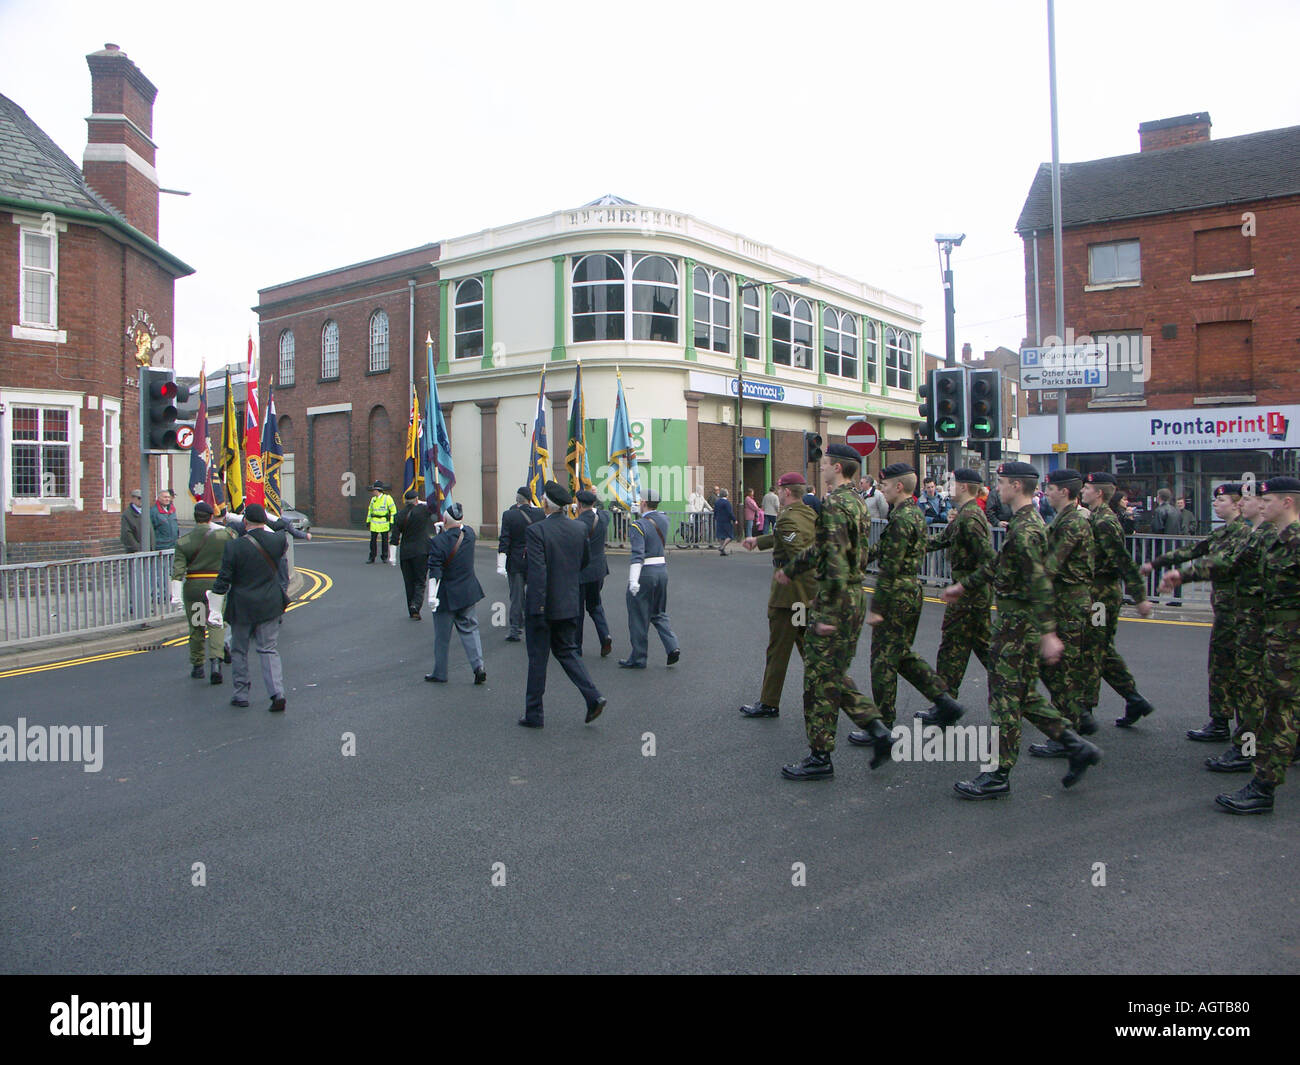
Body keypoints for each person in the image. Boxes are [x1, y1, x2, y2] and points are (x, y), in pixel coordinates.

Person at [943, 462, 1101, 799]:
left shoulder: (1027, 528)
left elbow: (1039, 580)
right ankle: (1075, 745)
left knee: (1004, 699)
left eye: (1000, 482)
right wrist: (965, 585)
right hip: (1016, 622)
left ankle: (999, 773)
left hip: (1018, 624)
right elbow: (1001, 562)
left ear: (1016, 485)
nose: (996, 488)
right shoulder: (1024, 523)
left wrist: (1047, 632)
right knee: (1023, 695)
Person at [776, 445, 892, 779]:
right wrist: (794, 569)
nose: (821, 468)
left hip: (837, 598)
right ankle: (875, 727)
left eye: (824, 464)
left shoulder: (835, 504)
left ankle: (821, 756)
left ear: (837, 467)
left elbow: (836, 559)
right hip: (852, 595)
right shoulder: (856, 501)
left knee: (818, 680)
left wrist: (827, 611)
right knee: (831, 672)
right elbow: (825, 548)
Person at [1163, 482, 1274, 773]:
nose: (1247, 504)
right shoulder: (1259, 535)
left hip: (1260, 623)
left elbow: (1228, 564)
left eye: (1252, 499)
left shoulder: (1267, 536)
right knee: (1246, 682)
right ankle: (1249, 744)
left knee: (1252, 688)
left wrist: (1181, 575)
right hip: (1245, 619)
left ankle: (1249, 751)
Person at [1212, 476, 1300, 813]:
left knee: (1279, 714)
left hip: (1290, 646)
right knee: (1281, 711)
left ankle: (1263, 788)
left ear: (1286, 503)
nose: (1260, 505)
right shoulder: (1274, 540)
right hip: (1276, 641)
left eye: (1266, 500)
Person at [859, 463, 966, 732]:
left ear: (898, 486)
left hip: (896, 594)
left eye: (884, 485)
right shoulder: (912, 514)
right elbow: (882, 549)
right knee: (899, 655)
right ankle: (943, 700)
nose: (881, 490)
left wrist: (877, 606)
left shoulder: (902, 518)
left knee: (883, 660)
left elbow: (889, 567)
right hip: (910, 591)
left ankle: (884, 723)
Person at [1143, 484, 1250, 742]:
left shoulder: (1244, 534)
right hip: (1225, 612)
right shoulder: (1223, 533)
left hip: (1241, 613)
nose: (1215, 504)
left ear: (1237, 505)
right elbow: (1192, 552)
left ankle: (1248, 735)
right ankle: (1220, 722)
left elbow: (1217, 563)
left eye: (1221, 500)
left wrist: (1180, 575)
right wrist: (1157, 563)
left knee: (1244, 674)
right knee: (1220, 668)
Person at [519, 481, 606, 728]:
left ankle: (534, 714)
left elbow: (538, 574)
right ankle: (593, 696)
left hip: (543, 606)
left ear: (546, 503)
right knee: (567, 652)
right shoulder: (579, 529)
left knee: (538, 659)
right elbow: (583, 562)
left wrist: (535, 609)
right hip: (568, 602)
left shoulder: (536, 532)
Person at [1078, 472, 1156, 730]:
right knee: (1102, 649)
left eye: (1087, 487)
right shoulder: (1097, 518)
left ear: (1098, 493)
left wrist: (1141, 597)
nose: (1083, 491)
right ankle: (1134, 699)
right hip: (1096, 591)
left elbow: (1123, 562)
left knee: (1091, 649)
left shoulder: (1104, 523)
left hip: (1101, 595)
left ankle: (1084, 711)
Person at [738, 472, 818, 718]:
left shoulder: (786, 519)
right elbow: (788, 538)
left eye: (780, 490)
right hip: (804, 598)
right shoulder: (809, 514)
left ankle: (769, 702)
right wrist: (758, 541)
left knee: (778, 651)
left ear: (786, 491)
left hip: (788, 599)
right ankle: (830, 694)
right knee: (811, 651)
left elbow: (799, 553)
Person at [1031, 468, 1096, 752]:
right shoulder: (1064, 519)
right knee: (1055, 665)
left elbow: (1051, 565)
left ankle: (1068, 732)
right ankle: (1076, 715)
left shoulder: (1071, 524)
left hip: (1070, 602)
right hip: (1065, 600)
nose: (1047, 493)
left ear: (1065, 492)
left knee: (1063, 666)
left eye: (1052, 488)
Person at [920, 468, 994, 703]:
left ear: (963, 487)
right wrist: (910, 543)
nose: (948, 486)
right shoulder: (964, 515)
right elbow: (941, 540)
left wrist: (963, 586)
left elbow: (990, 562)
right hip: (971, 596)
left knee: (953, 648)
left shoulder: (971, 519)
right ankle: (1017, 692)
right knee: (979, 648)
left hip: (969, 596)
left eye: (952, 483)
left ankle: (946, 703)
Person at [206, 503, 289, 713]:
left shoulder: (234, 547)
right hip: (270, 604)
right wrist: (270, 520)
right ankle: (277, 693)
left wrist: (214, 608)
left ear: (245, 522)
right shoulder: (278, 542)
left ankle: (241, 693)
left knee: (239, 651)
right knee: (268, 649)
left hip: (242, 606)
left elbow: (223, 579)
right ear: (264, 521)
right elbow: (282, 527)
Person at [170, 500, 234, 683]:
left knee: (197, 625)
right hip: (216, 587)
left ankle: (198, 664)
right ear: (211, 517)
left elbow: (177, 573)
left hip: (194, 586)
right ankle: (216, 661)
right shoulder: (224, 536)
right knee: (216, 622)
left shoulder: (184, 542)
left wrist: (176, 597)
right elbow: (235, 536)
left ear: (194, 517)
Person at [424, 502, 486, 685]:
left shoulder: (437, 542)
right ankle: (478, 666)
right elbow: (461, 527)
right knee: (471, 630)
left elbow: (434, 572)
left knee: (442, 638)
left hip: (446, 596)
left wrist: (431, 597)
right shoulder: (470, 536)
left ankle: (440, 672)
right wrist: (446, 527)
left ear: (444, 520)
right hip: (467, 592)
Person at [620, 488, 680, 669]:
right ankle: (672, 645)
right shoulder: (663, 519)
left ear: (644, 502)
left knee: (638, 616)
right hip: (662, 570)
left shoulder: (639, 525)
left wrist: (633, 580)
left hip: (645, 572)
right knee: (659, 612)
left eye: (640, 500)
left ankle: (638, 658)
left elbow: (637, 555)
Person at [498, 487, 544, 641]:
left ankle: (515, 628)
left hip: (516, 561)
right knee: (535, 594)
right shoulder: (540, 514)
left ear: (517, 500)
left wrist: (501, 564)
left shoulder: (509, 515)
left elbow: (504, 541)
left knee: (516, 596)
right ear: (530, 500)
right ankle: (536, 625)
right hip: (535, 559)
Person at [575, 489, 613, 657]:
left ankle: (577, 646)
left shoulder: (577, 524)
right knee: (595, 605)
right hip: (599, 570)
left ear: (578, 504)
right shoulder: (603, 518)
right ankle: (605, 635)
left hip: (582, 573)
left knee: (578, 610)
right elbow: (604, 511)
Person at [392, 490, 434, 619]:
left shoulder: (399, 515)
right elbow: (434, 505)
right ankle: (416, 605)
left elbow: (394, 538)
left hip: (406, 552)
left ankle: (412, 609)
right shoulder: (423, 510)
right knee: (420, 581)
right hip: (421, 551)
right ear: (416, 500)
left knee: (408, 582)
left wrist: (392, 557)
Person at [365, 480, 396, 564]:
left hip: (384, 523)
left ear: (377, 490)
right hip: (374, 523)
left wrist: (392, 522)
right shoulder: (373, 499)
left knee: (385, 542)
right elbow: (370, 511)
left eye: (374, 490)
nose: (373, 492)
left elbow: (393, 511)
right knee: (373, 542)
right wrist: (368, 521)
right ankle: (372, 557)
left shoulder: (387, 498)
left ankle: (384, 556)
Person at [713, 488, 735, 554]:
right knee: (730, 536)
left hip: (719, 520)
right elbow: (730, 512)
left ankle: (722, 551)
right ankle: (722, 547)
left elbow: (715, 511)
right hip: (726, 521)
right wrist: (734, 519)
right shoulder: (727, 503)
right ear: (726, 495)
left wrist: (715, 518)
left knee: (721, 536)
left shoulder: (717, 502)